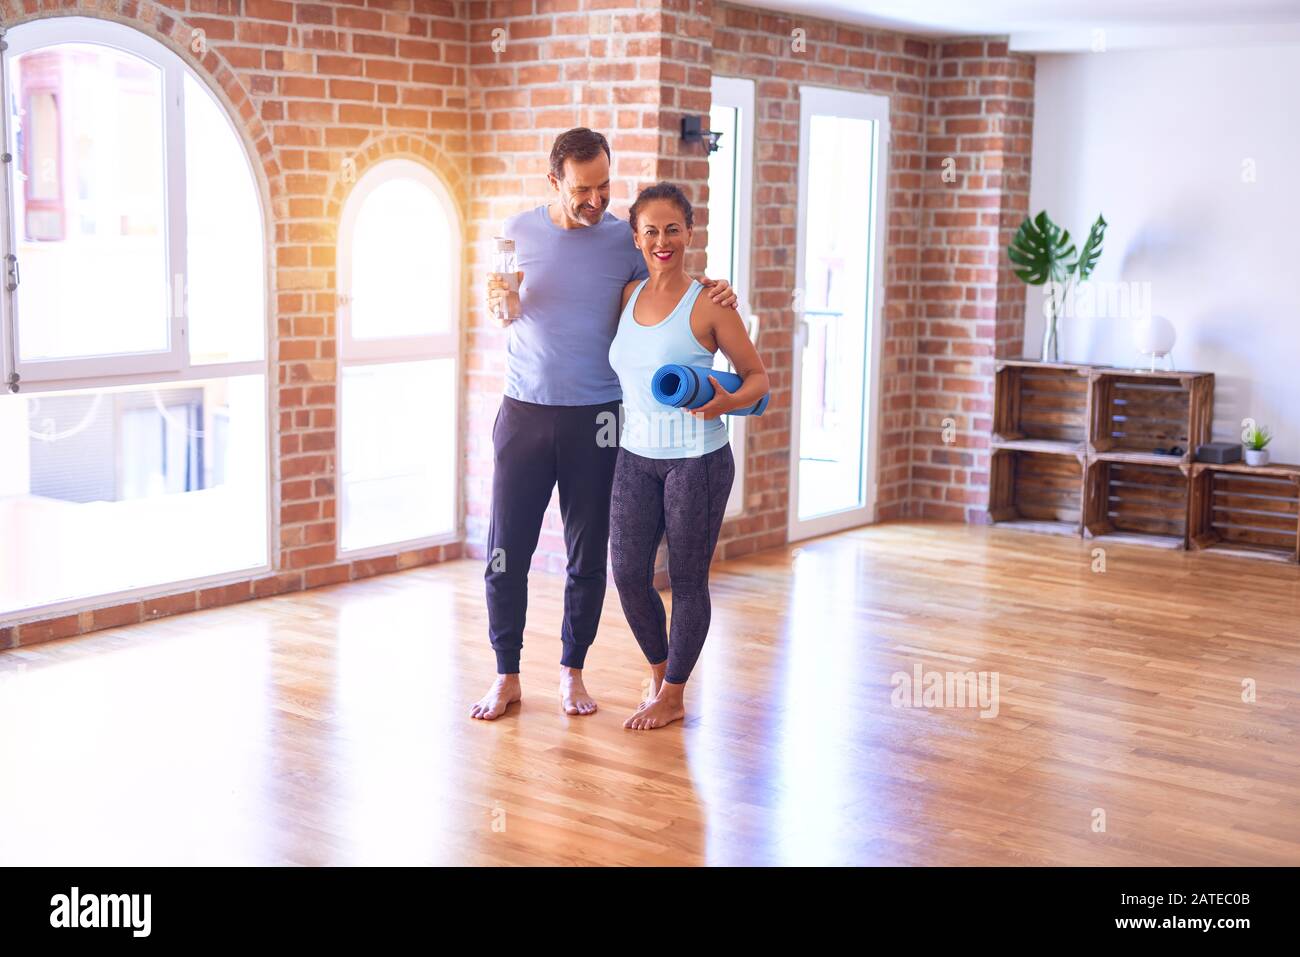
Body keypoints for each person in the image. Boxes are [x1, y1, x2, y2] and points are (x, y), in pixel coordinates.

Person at [470, 130, 738, 721]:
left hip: (598, 418)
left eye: (605, 187)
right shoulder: (516, 234)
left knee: (588, 554)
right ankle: (506, 674)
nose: (596, 201)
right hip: (524, 412)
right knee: (505, 550)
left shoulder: (624, 238)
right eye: (582, 190)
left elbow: (673, 276)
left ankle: (573, 672)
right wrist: (495, 306)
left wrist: (721, 288)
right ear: (554, 183)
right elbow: (500, 302)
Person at [607, 182, 770, 730]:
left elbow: (757, 379)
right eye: (650, 231)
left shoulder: (708, 303)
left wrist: (725, 399)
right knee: (628, 573)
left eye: (672, 229)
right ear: (636, 237)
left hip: (696, 460)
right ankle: (660, 674)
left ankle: (675, 693)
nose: (662, 240)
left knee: (686, 577)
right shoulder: (627, 295)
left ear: (690, 233)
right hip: (634, 456)